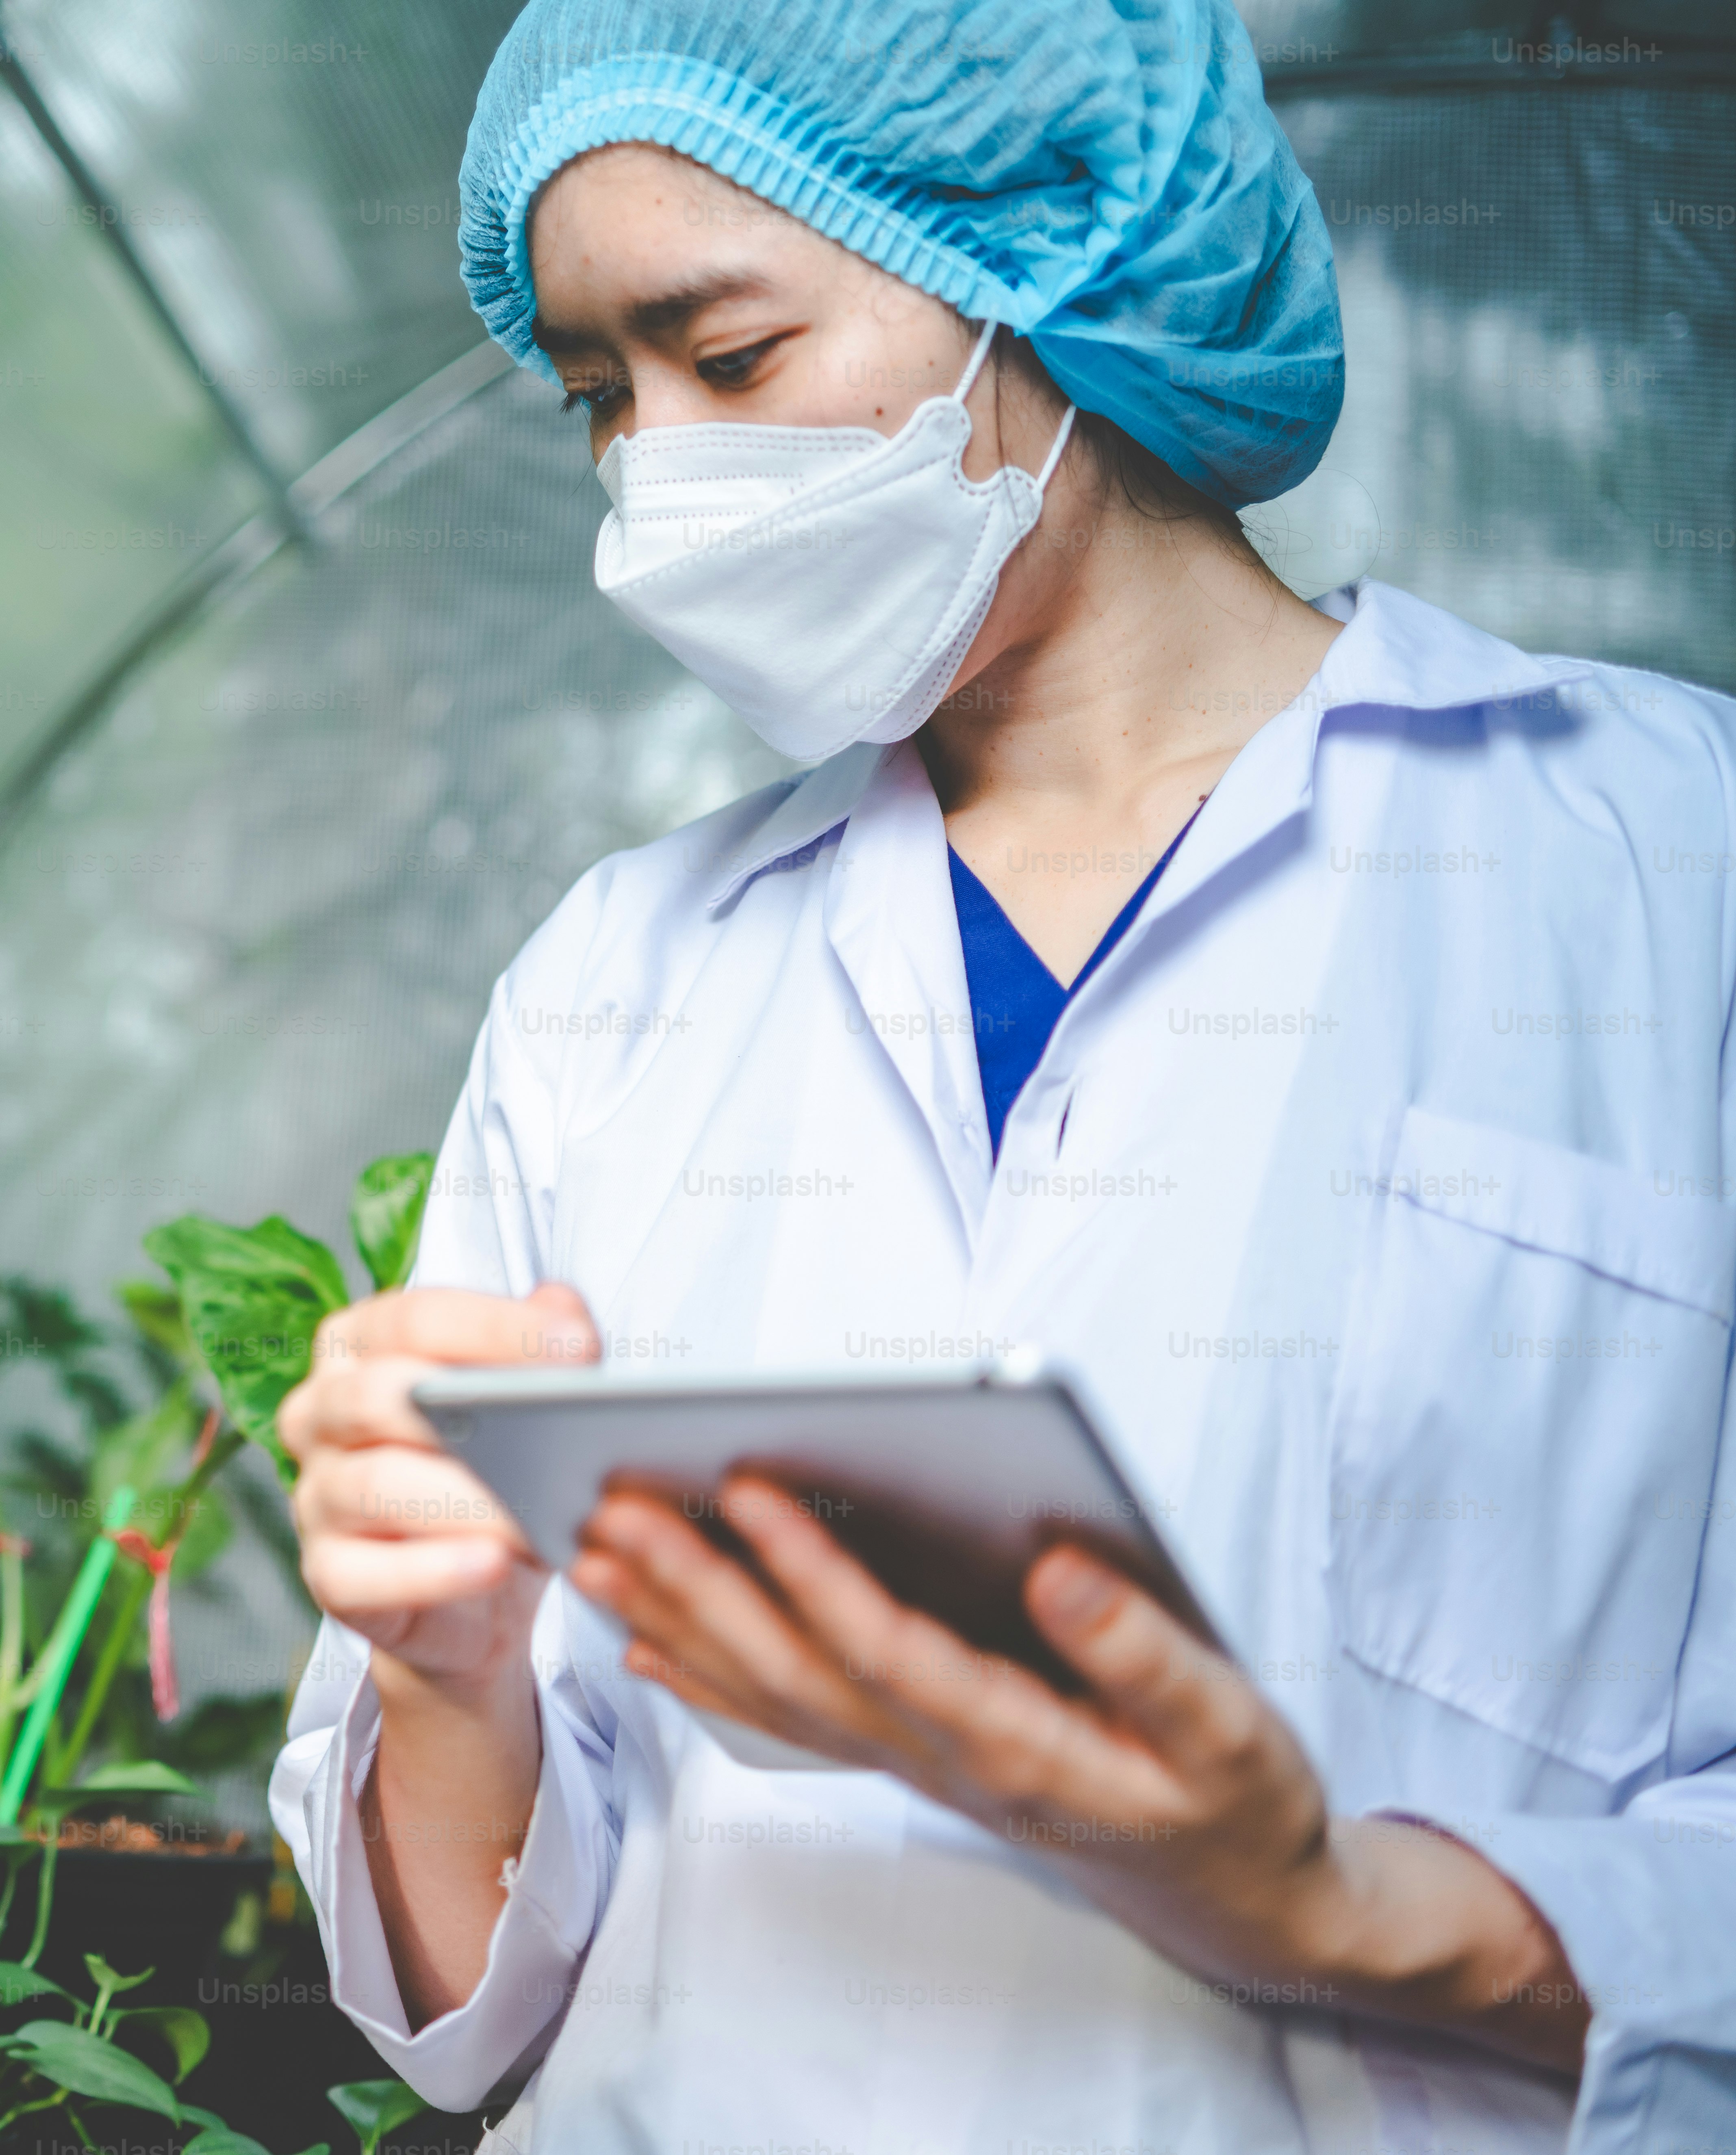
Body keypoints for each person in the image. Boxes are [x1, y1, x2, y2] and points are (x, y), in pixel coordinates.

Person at [265, 4, 1736, 2151]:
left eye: (731, 360)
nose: (654, 476)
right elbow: (468, 2011)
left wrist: (1335, 1904)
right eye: (600, 398)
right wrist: (448, 1672)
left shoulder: (1665, 875)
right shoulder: (613, 983)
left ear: (1050, 261)